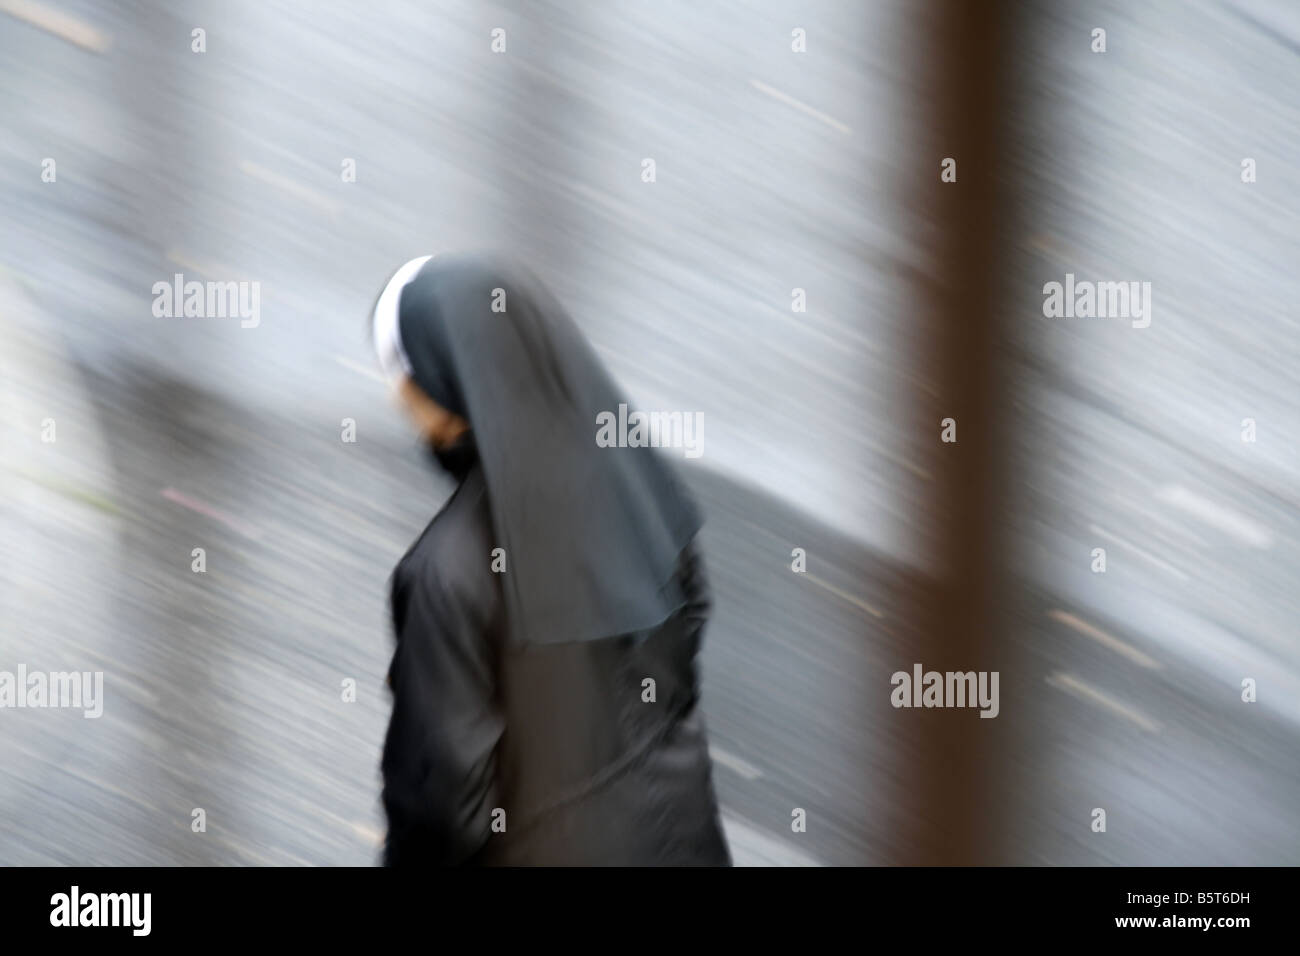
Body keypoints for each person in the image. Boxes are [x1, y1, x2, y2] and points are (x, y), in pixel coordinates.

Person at [370, 253, 731, 866]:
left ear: (446, 382)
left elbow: (441, 810)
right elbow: (688, 624)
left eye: (402, 369)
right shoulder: (634, 481)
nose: (395, 390)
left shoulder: (446, 574)